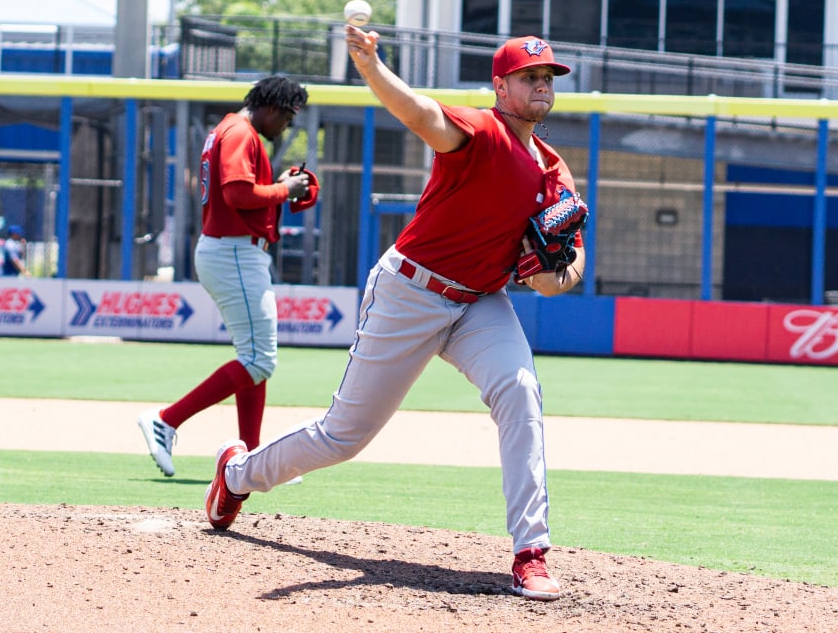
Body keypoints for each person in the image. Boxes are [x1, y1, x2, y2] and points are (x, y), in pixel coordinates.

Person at [202, 33, 586, 602]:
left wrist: (553, 273)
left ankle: (530, 552)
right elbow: (421, 113)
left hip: (480, 302)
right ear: (500, 86)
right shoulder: (481, 131)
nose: (542, 85)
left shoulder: (555, 173)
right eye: (530, 76)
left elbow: (565, 274)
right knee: (343, 436)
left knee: (521, 393)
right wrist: (372, 66)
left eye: (548, 77)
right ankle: (236, 476)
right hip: (410, 290)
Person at [137, 75, 314, 478]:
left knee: (255, 359)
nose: (285, 125)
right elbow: (236, 192)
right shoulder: (240, 132)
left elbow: (243, 193)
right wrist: (283, 190)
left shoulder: (231, 130)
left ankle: (250, 460)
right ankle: (166, 419)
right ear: (270, 107)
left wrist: (282, 189)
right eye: (286, 116)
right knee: (259, 359)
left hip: (232, 249)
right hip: (233, 250)